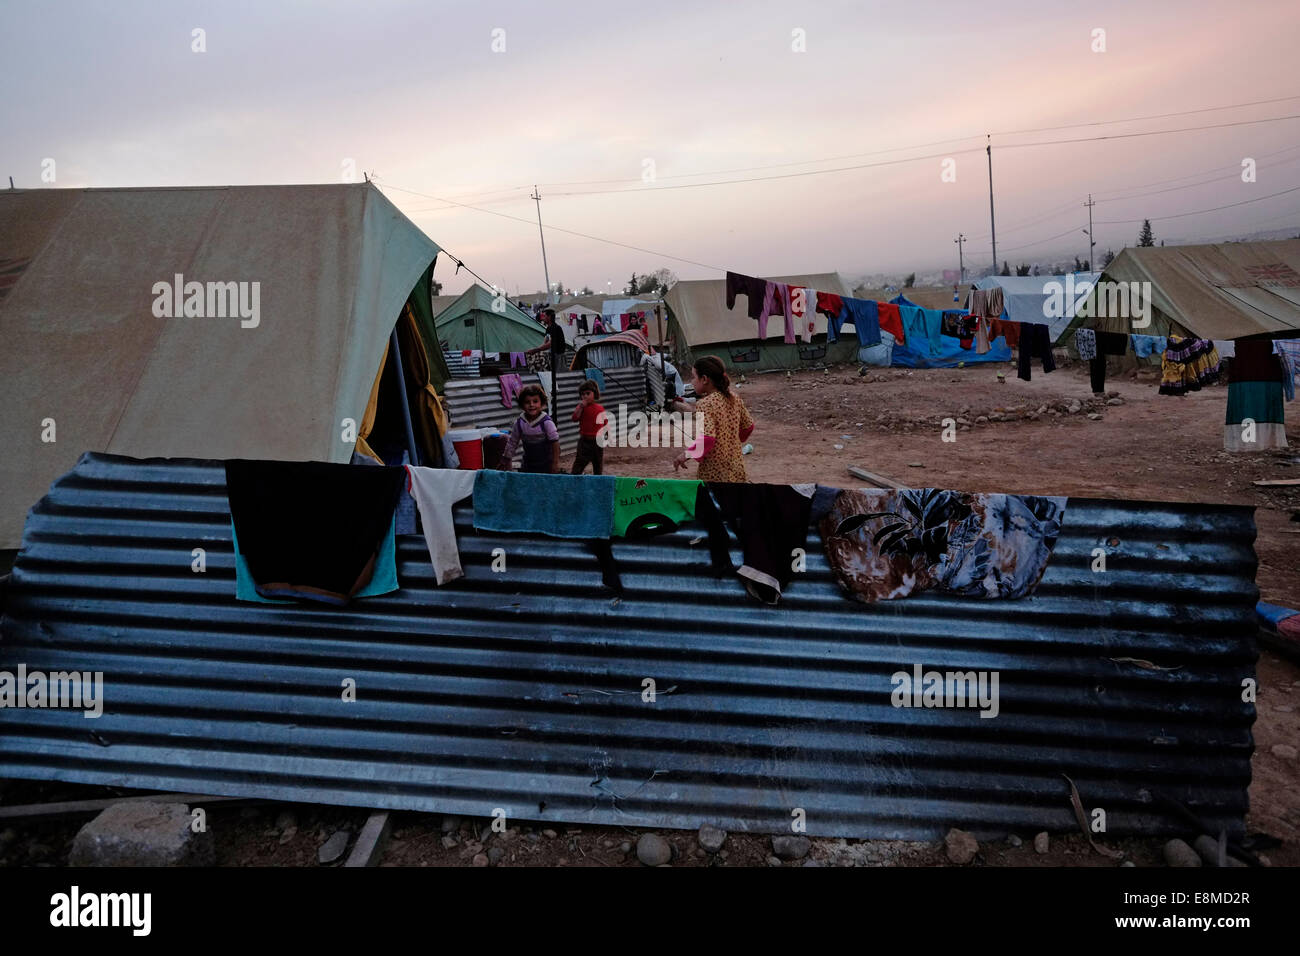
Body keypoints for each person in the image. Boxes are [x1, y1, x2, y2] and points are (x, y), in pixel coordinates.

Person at [670, 356, 753, 482]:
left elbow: (707, 439)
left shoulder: (705, 404)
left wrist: (685, 455)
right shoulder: (734, 397)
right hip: (737, 468)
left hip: (715, 473)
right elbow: (748, 427)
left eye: (693, 377)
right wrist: (731, 442)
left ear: (704, 379)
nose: (692, 381)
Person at [498, 384, 560, 473]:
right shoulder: (519, 423)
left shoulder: (546, 423)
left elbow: (555, 443)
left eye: (535, 401)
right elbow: (512, 442)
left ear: (542, 403)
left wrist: (555, 463)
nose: (531, 405)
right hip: (528, 463)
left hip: (547, 463)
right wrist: (505, 458)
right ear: (522, 405)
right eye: (527, 402)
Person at [570, 379, 606, 475]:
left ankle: (598, 483)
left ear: (594, 393)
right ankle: (574, 481)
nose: (585, 396)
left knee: (598, 465)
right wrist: (581, 407)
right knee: (578, 465)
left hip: (598, 441)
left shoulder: (600, 408)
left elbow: (605, 423)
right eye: (583, 394)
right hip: (584, 442)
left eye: (588, 393)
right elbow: (574, 418)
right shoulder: (581, 408)